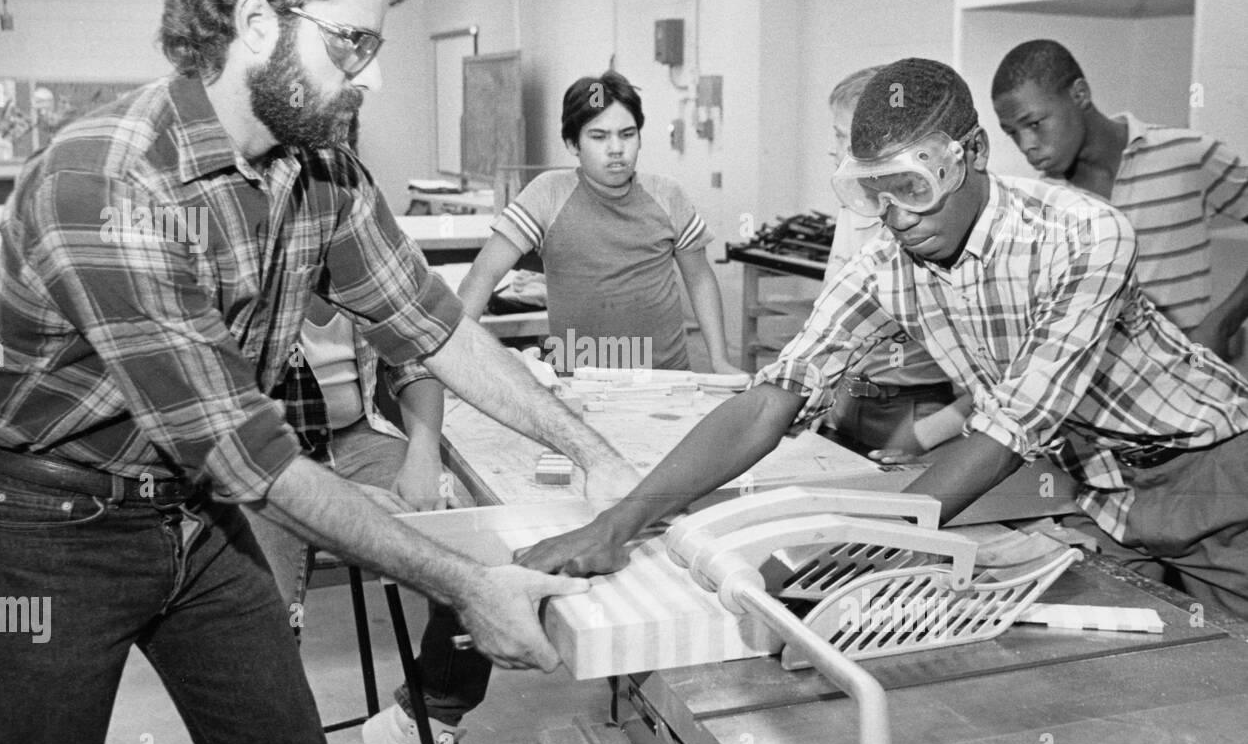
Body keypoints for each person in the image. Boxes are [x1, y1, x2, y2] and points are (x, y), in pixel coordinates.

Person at [0, 0, 638, 744]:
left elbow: (431, 327)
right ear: (257, 21)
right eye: (351, 42)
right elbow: (250, 454)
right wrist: (468, 583)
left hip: (193, 509)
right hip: (48, 527)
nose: (372, 74)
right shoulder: (108, 180)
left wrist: (600, 460)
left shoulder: (322, 170)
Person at [517, 58, 1248, 624]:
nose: (894, 215)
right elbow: (778, 393)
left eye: (914, 184)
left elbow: (1007, 432)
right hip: (1108, 494)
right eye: (872, 191)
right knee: (1137, 681)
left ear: (971, 155)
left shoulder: (1083, 234)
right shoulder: (888, 263)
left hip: (1215, 474)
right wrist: (620, 522)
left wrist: (844, 560)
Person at [243, 294, 490, 744]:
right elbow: (225, 431)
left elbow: (414, 360)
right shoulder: (241, 266)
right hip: (263, 466)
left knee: (474, 542)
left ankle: (422, 723)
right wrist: (345, 500)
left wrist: (421, 454)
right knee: (260, 635)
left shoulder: (351, 258)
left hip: (354, 440)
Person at [457, 71, 744, 375]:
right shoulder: (548, 193)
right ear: (572, 143)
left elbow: (699, 279)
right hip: (578, 380)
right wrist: (455, 360)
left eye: (627, 134)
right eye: (599, 136)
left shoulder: (667, 194)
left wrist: (720, 360)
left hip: (664, 378)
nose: (616, 148)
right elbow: (483, 276)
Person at [991, 38, 1248, 359]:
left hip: (1193, 386)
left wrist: (1223, 323)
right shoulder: (1044, 207)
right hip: (1105, 397)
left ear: (1079, 94)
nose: (1026, 144)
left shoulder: (1188, 154)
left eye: (1034, 124)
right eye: (1011, 132)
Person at [822, 65, 970, 459]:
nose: (833, 149)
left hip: (917, 411)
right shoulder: (852, 210)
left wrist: (924, 435)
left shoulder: (935, 225)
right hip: (850, 401)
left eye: (841, 136)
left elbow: (995, 377)